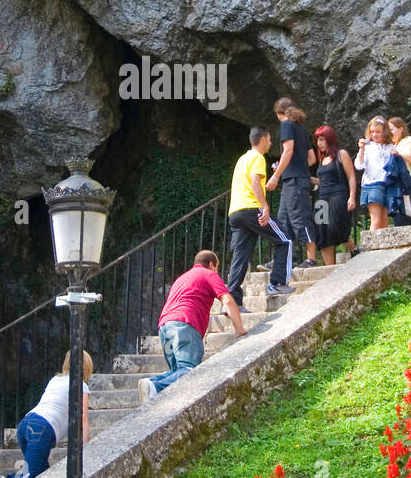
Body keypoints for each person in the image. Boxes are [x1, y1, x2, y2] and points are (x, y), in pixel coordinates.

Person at [136, 250, 246, 403]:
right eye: (217, 267)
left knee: (179, 374)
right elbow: (227, 301)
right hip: (185, 324)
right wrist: (239, 330)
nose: (217, 271)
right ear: (211, 264)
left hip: (165, 326)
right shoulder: (209, 274)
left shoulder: (181, 278)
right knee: (189, 371)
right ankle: (154, 384)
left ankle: (157, 393)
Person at [227, 127, 293, 307]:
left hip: (235, 212)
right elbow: (255, 182)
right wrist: (264, 206)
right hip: (251, 209)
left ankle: (233, 301)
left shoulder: (242, 159)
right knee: (285, 240)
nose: (271, 143)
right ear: (263, 139)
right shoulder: (257, 158)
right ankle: (277, 283)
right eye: (270, 140)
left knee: (240, 256)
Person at [266, 98, 318, 267]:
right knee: (283, 219)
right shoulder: (301, 129)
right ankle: (284, 258)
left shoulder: (286, 125)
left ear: (278, 113)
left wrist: (276, 176)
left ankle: (311, 258)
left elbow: (288, 151)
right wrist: (287, 168)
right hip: (294, 179)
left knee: (299, 217)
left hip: (294, 181)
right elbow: (311, 158)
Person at [310, 125, 358, 265]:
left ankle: (353, 248)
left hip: (338, 195)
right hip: (322, 197)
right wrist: (305, 177)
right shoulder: (322, 159)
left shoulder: (341, 154)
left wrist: (352, 197)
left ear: (329, 139)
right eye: (317, 140)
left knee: (335, 228)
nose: (319, 143)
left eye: (322, 140)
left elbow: (351, 177)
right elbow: (322, 181)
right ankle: (329, 268)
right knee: (321, 231)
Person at [354, 115, 395, 231]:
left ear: (385, 131)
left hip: (388, 184)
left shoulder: (391, 147)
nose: (375, 135)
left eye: (378, 132)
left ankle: (382, 246)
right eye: (372, 132)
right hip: (373, 184)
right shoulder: (368, 147)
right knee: (376, 219)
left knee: (385, 219)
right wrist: (361, 150)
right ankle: (372, 247)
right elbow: (358, 165)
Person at [388, 116, 411, 225]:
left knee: (405, 215)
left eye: (391, 130)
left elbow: (410, 157)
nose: (389, 133)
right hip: (395, 183)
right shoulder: (393, 145)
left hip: (406, 182)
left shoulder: (409, 140)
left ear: (401, 129)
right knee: (397, 216)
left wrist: (397, 153)